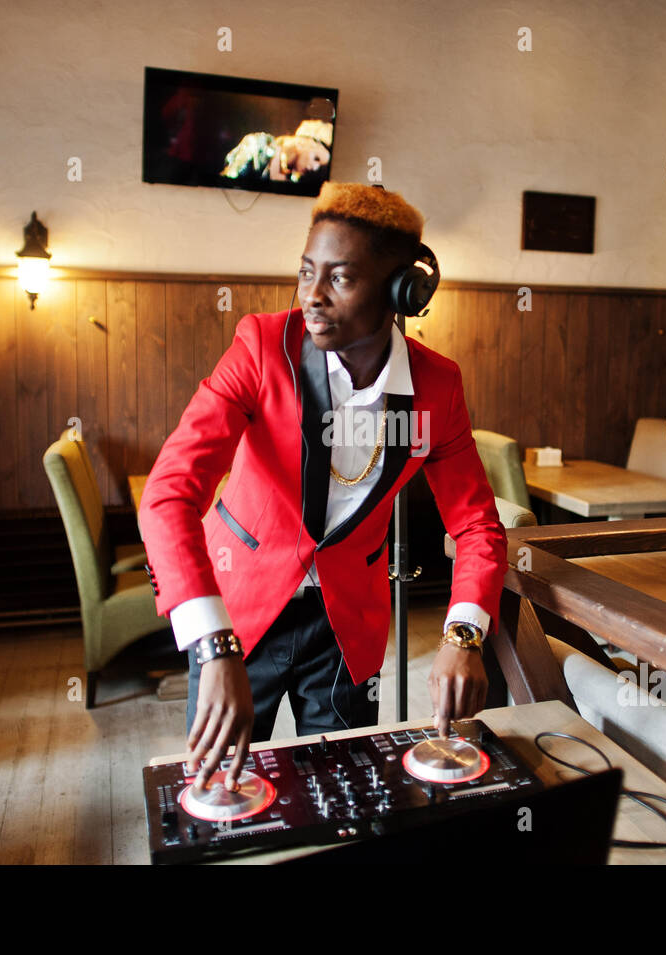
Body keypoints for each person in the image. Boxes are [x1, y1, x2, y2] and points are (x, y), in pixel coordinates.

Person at [138, 182, 507, 791]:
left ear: (400, 292)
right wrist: (211, 645)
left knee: (345, 799)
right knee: (218, 799)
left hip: (346, 631)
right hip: (239, 614)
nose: (311, 295)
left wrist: (463, 634)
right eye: (306, 272)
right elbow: (169, 494)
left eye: (339, 279)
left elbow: (476, 526)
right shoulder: (260, 347)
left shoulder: (437, 387)